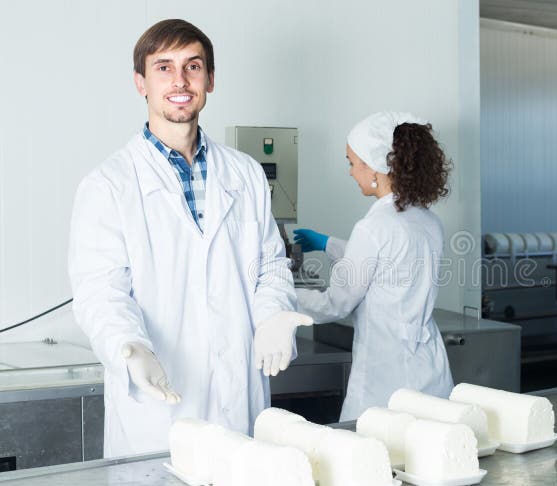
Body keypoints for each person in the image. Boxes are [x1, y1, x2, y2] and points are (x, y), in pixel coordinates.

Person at [68, 19, 310, 457]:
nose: (179, 81)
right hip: (157, 417)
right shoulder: (108, 184)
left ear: (210, 80)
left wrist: (274, 313)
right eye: (163, 67)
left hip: (238, 406)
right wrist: (130, 347)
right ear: (140, 82)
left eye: (192, 66)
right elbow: (100, 292)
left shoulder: (246, 174)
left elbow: (270, 266)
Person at [293, 111, 454, 422]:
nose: (351, 172)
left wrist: (281, 295)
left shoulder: (374, 226)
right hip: (429, 370)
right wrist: (329, 243)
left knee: (374, 458)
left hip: (385, 379)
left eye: (353, 163)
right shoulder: (428, 220)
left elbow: (335, 304)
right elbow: (390, 266)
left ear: (375, 168)